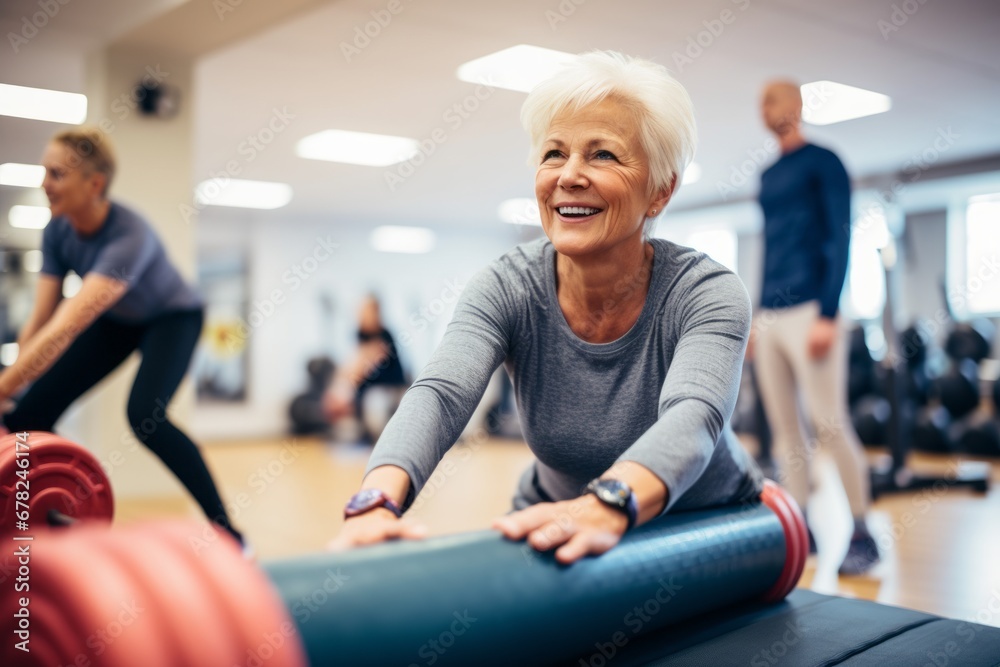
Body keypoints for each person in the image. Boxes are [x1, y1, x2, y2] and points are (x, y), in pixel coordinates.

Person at [329, 51, 763, 563]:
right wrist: (375, 503)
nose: (569, 175)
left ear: (660, 191)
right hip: (558, 517)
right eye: (554, 153)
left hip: (708, 524)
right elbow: (442, 394)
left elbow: (694, 417)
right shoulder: (506, 285)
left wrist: (607, 503)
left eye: (603, 154)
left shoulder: (705, 291)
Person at [0, 128, 245, 547]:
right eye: (44, 171)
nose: (44, 183)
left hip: (173, 318)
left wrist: (3, 385)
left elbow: (65, 327)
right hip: (117, 320)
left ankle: (229, 534)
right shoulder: (57, 230)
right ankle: (49, 518)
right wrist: (14, 391)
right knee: (26, 416)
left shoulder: (129, 236)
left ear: (94, 184)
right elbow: (41, 319)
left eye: (56, 173)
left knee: (146, 417)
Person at [749, 80, 879, 574]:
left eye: (775, 98)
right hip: (774, 314)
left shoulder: (824, 162)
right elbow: (770, 247)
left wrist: (829, 311)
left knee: (829, 421)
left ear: (798, 105)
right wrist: (758, 318)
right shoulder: (766, 175)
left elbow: (840, 237)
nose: (767, 108)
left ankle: (864, 533)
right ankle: (801, 527)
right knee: (786, 431)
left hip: (813, 312)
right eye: (761, 102)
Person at [324, 295, 407, 442]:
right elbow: (352, 362)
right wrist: (335, 390)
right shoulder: (361, 335)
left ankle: (382, 444)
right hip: (369, 389)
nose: (360, 316)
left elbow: (363, 363)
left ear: (376, 313)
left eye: (364, 312)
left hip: (390, 388)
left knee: (374, 401)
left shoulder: (384, 335)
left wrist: (343, 393)